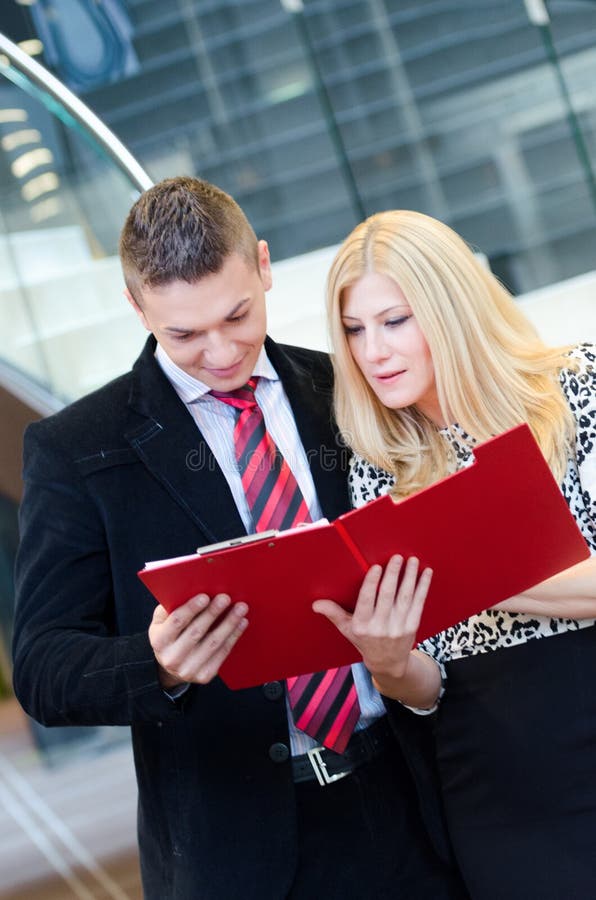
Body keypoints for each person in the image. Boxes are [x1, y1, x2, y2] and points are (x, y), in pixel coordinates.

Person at [11, 179, 467, 900]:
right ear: (136, 306)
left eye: (237, 316)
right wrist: (153, 661)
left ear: (262, 265)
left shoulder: (347, 388)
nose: (221, 353)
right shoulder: (77, 450)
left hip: (408, 807)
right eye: (184, 334)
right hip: (235, 851)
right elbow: (40, 667)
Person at [316, 208, 596, 900]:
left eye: (395, 321)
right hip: (498, 781)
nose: (371, 352)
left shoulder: (577, 390)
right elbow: (430, 685)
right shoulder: (377, 469)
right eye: (353, 330)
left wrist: (450, 563)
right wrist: (387, 663)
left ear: (449, 308)